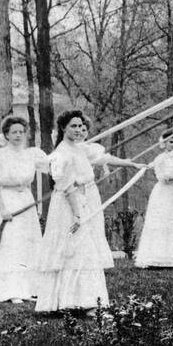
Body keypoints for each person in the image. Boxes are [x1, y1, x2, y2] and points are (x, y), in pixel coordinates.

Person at [35, 110, 146, 315]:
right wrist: (77, 215)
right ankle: (79, 303)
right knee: (75, 249)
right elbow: (66, 187)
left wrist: (130, 164)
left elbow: (103, 157)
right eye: (73, 126)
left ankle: (83, 301)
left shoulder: (79, 148)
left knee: (86, 249)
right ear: (63, 128)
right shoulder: (62, 154)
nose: (78, 130)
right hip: (71, 205)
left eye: (80, 126)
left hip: (85, 201)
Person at [0, 116, 49, 303]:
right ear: (6, 135)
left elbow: (54, 166)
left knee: (27, 242)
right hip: (7, 200)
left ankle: (29, 288)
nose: (18, 135)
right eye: (13, 132)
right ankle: (10, 290)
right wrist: (2, 209)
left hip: (26, 199)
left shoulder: (31, 154)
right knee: (10, 244)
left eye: (21, 132)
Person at [135, 129, 173, 269]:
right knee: (160, 222)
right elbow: (163, 177)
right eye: (171, 142)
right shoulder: (160, 158)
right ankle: (155, 258)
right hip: (163, 193)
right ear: (165, 143)